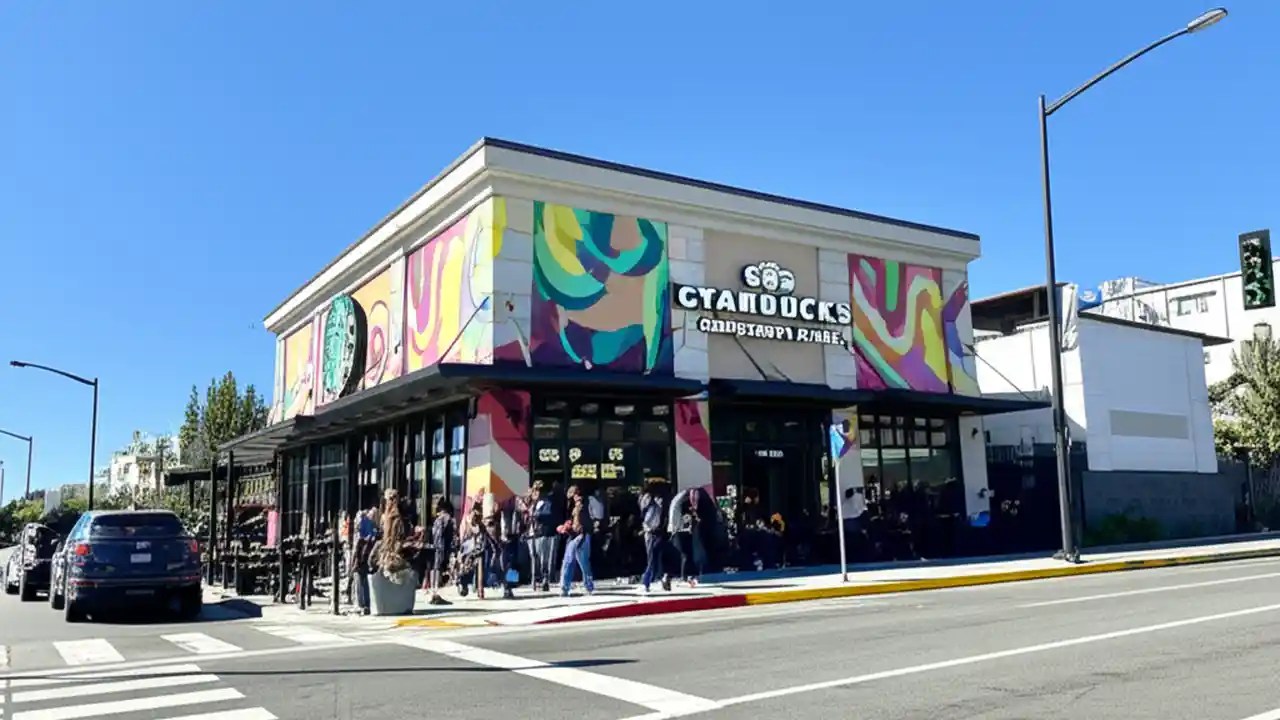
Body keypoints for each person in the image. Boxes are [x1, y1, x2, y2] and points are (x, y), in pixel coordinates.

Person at [559, 485, 595, 597]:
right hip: (573, 535)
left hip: (582, 535)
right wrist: (566, 525)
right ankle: (565, 587)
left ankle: (588, 585)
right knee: (568, 561)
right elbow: (571, 519)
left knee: (583, 561)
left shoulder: (584, 505)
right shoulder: (571, 506)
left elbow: (586, 521)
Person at [639, 479, 672, 594]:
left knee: (654, 557)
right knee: (653, 558)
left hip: (652, 531)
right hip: (652, 532)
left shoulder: (650, 499)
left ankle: (656, 578)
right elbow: (648, 518)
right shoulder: (652, 501)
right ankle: (648, 580)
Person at [525, 483, 559, 593]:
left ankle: (545, 579)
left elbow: (546, 514)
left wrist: (535, 514)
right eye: (534, 490)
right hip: (530, 533)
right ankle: (534, 579)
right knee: (533, 557)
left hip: (541, 533)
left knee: (543, 557)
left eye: (538, 490)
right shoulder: (529, 503)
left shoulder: (546, 502)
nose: (536, 492)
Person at [428, 498, 455, 606]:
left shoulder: (437, 519)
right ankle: (436, 594)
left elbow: (436, 535)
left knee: (434, 568)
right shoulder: (447, 519)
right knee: (439, 568)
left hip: (436, 547)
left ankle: (433, 593)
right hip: (442, 547)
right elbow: (444, 536)